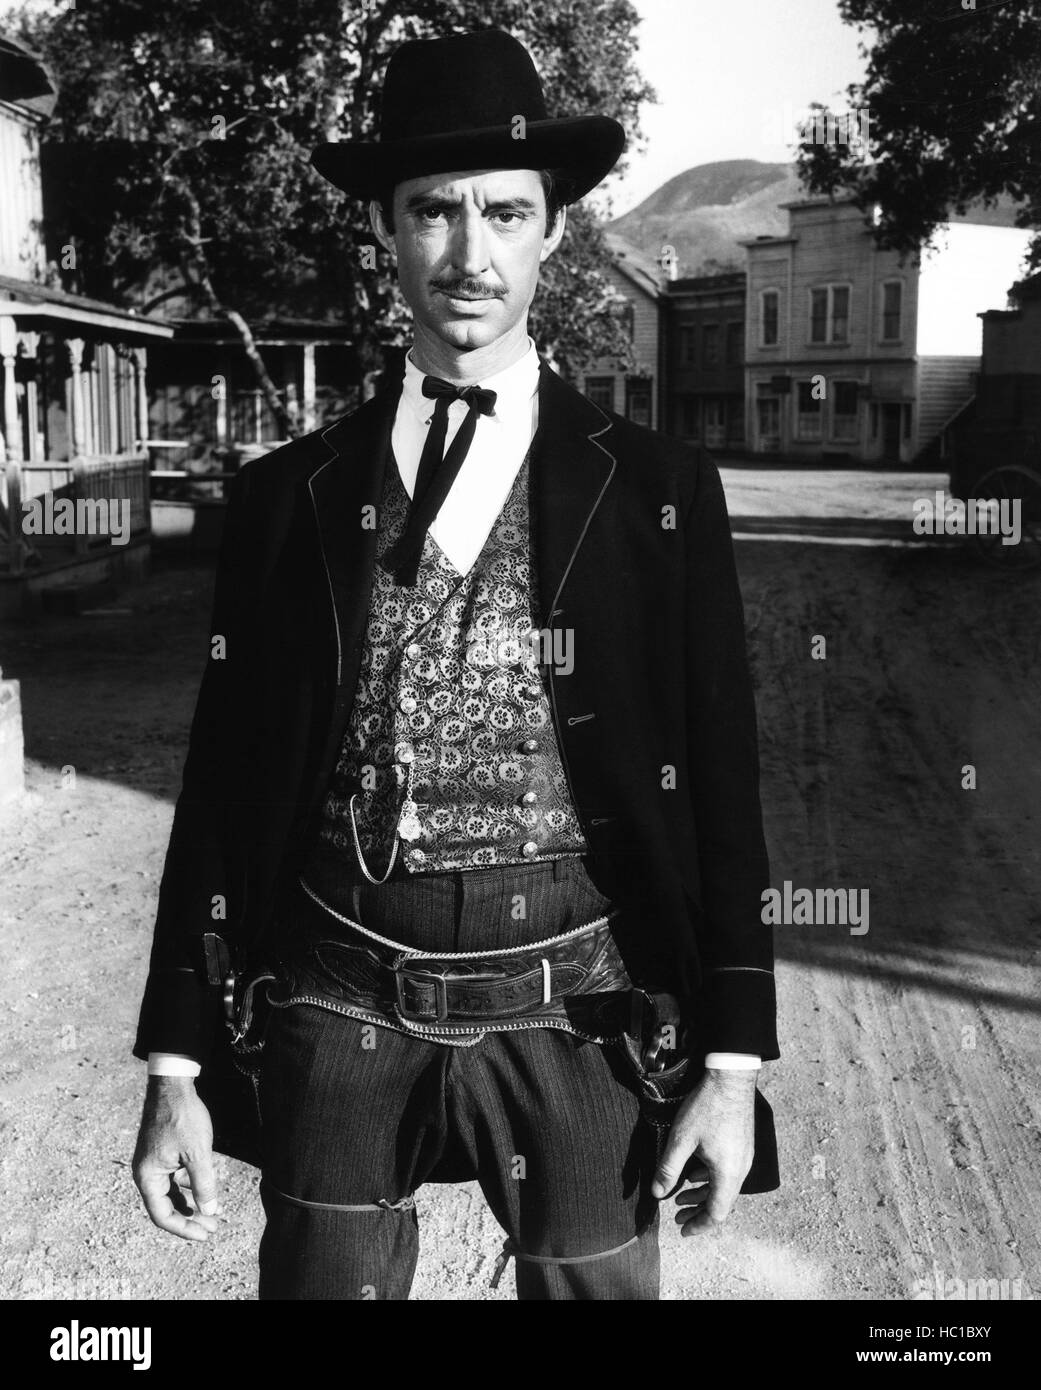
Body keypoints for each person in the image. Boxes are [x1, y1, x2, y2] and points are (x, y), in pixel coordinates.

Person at [131, 27, 779, 1301]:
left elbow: (721, 774)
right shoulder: (284, 499)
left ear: (551, 230)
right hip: (334, 994)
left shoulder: (656, 490)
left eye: (505, 212)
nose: (470, 254)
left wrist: (735, 1059)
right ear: (385, 226)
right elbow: (220, 787)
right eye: (433, 212)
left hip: (580, 1003)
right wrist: (174, 1068)